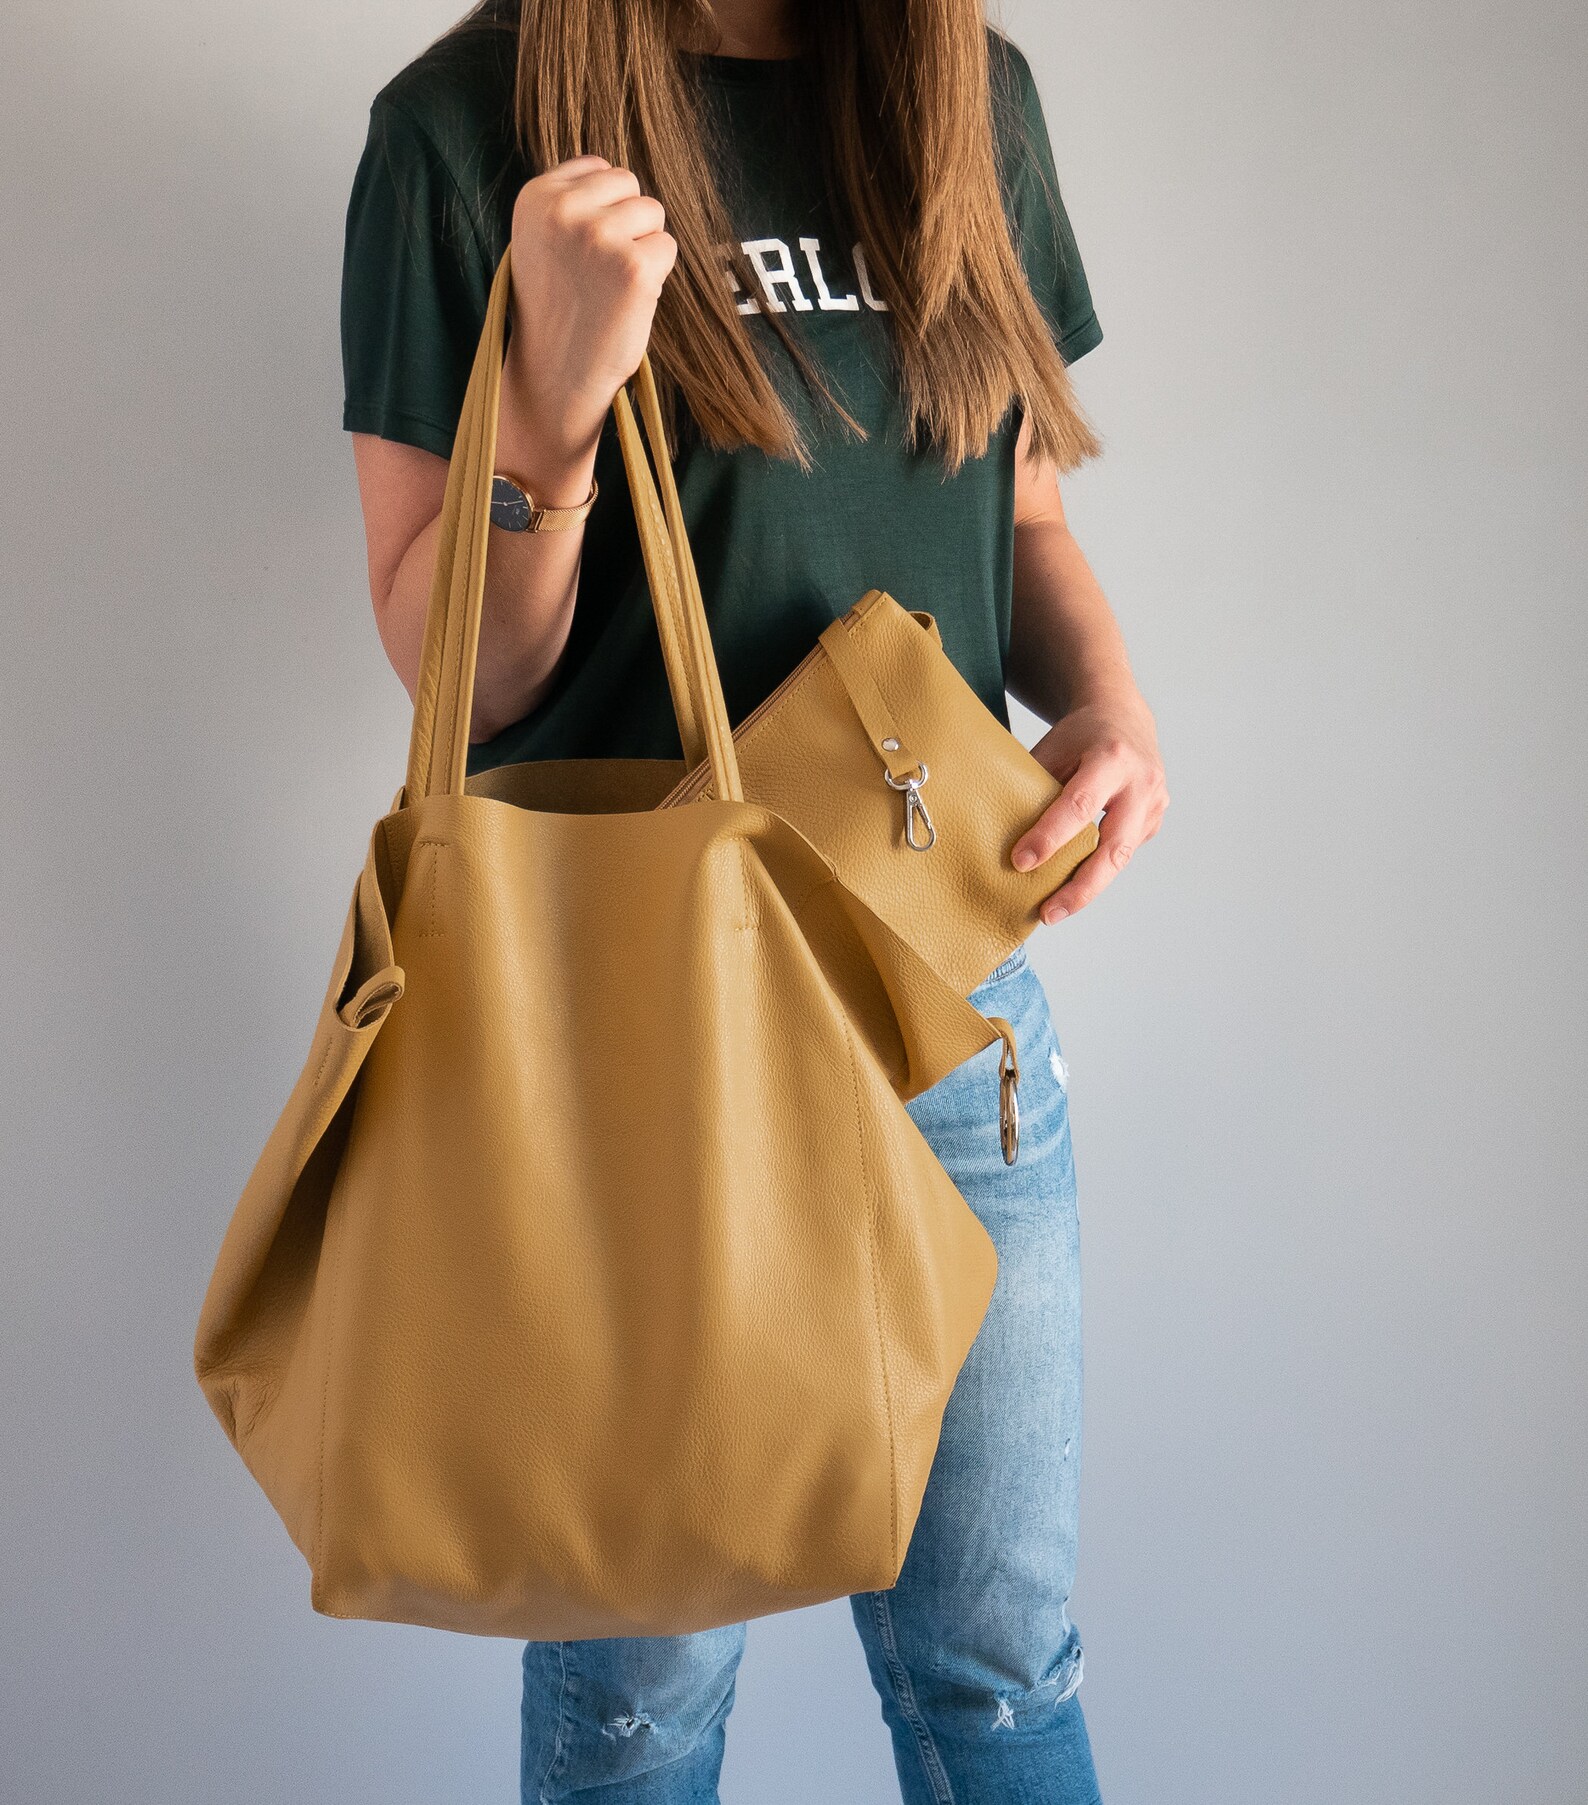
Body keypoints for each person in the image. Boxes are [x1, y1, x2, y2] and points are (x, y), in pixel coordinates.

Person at [340, 1, 1167, 1798]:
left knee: (1002, 1671)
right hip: (643, 1049)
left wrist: (1107, 702)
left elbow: (1021, 515)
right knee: (642, 1708)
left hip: (952, 998)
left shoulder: (966, 95)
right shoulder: (468, 126)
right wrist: (550, 422)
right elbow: (454, 679)